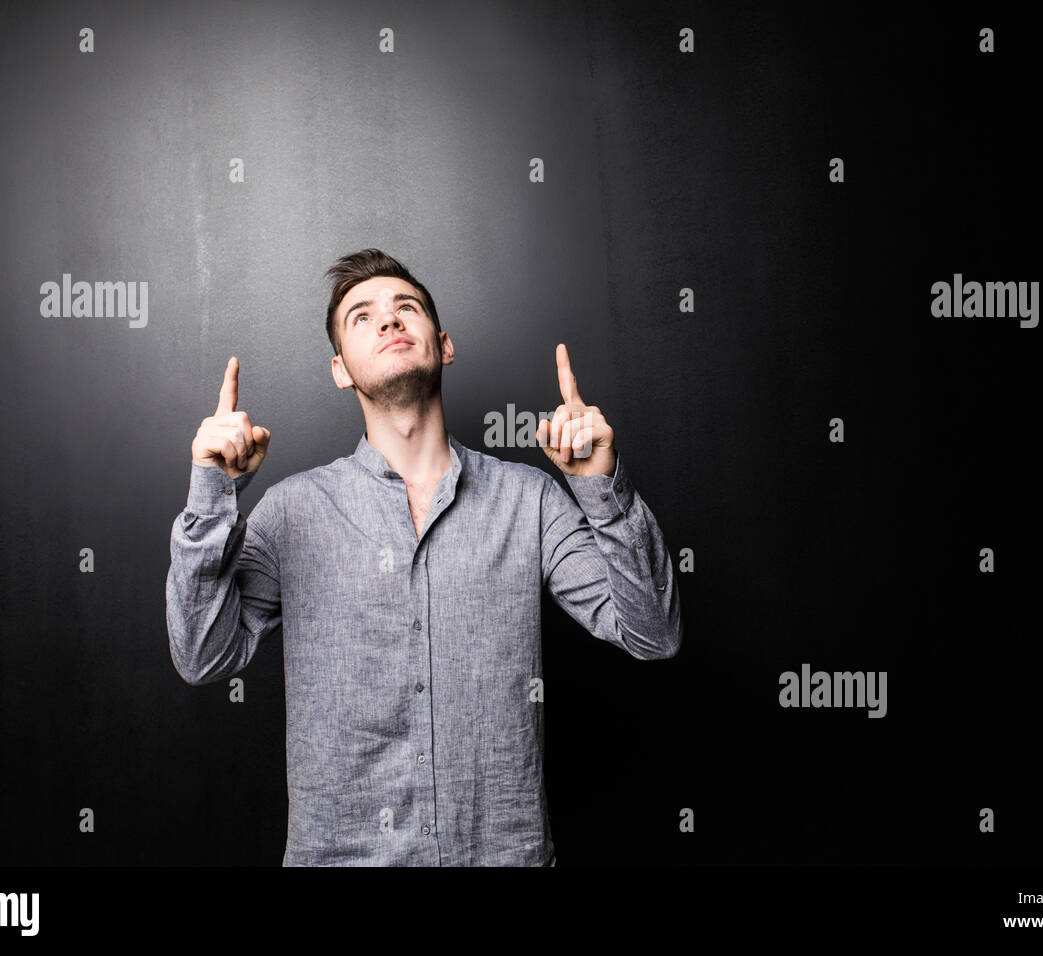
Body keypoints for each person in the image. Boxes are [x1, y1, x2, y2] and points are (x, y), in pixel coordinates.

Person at [165, 248, 683, 866]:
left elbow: (654, 634)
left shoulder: (530, 500)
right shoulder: (291, 513)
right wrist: (209, 492)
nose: (388, 320)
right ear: (339, 369)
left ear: (444, 344)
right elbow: (202, 657)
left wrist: (602, 484)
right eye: (363, 317)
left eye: (404, 307)